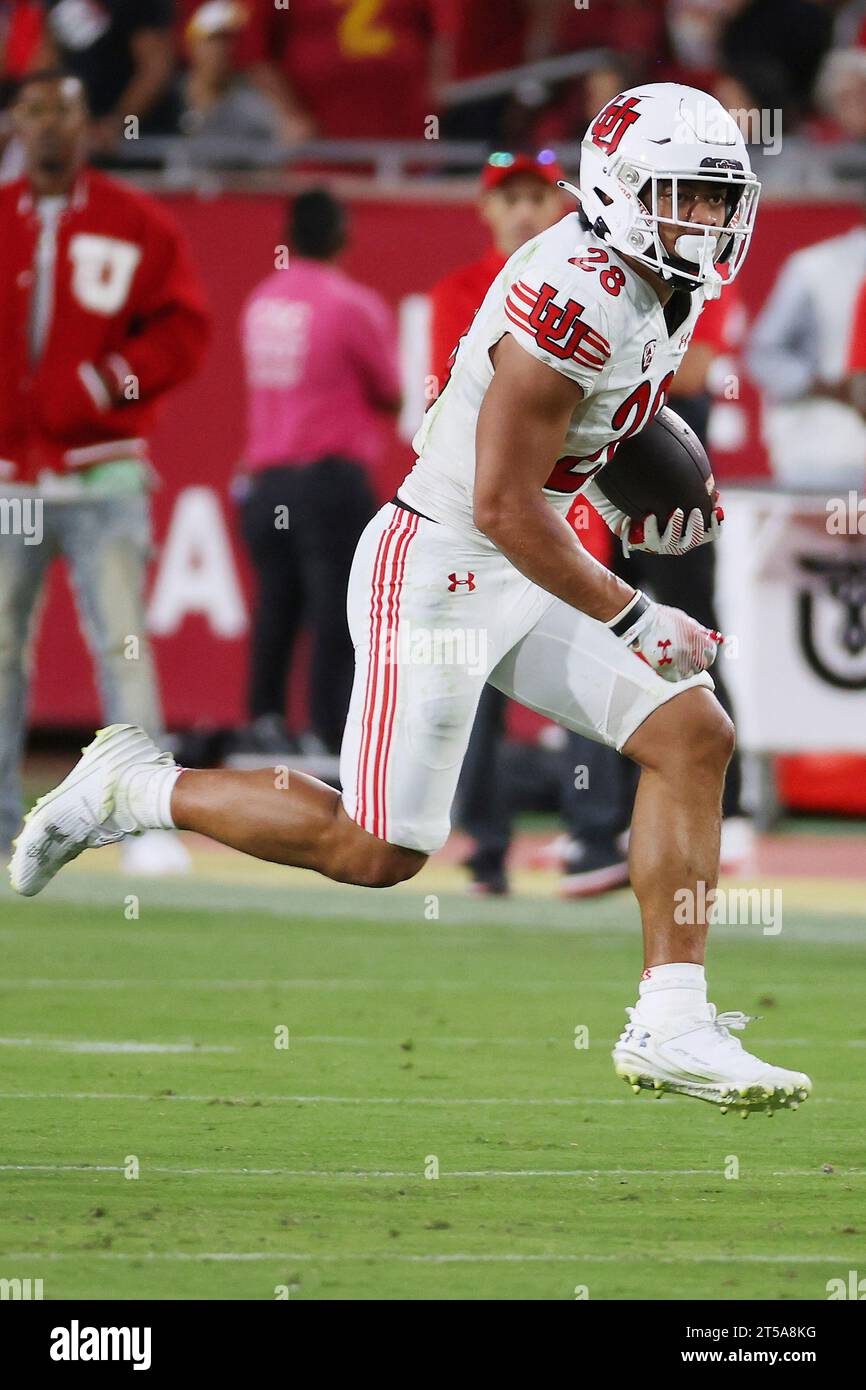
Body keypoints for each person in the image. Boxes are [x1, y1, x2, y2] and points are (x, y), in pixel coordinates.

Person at [11, 83, 812, 1117]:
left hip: (521, 555)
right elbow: (500, 501)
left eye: (713, 200)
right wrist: (631, 609)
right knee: (376, 849)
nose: (699, 222)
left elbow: (576, 442)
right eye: (676, 196)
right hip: (439, 565)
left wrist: (623, 479)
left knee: (691, 735)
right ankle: (135, 789)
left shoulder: (659, 282)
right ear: (617, 189)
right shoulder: (573, 292)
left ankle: (671, 1021)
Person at [0, 69, 210, 871]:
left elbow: (184, 332)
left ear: (87, 124)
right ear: (16, 122)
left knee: (122, 644)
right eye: (34, 111)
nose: (49, 126)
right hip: (13, 476)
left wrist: (105, 382)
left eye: (63, 111)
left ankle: (147, 827)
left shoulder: (137, 222)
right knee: (0, 648)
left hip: (101, 469)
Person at [428, 150, 568, 893]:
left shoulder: (584, 281)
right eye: (507, 196)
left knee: (589, 671)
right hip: (483, 522)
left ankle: (596, 837)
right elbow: (457, 401)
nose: (521, 209)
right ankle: (486, 847)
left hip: (566, 515)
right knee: (472, 686)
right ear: (485, 209)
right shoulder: (459, 291)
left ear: (559, 205)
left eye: (535, 195)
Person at [236, 188, 400, 756]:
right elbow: (391, 391)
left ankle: (264, 721)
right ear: (341, 235)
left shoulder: (261, 301)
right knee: (340, 606)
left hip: (266, 480)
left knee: (276, 605)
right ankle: (328, 731)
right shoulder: (350, 305)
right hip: (328, 479)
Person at [40, 0, 180, 153]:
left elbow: (156, 69)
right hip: (83, 132)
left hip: (139, 131)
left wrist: (117, 123)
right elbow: (50, 60)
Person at [179, 1, 283, 154]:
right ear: (192, 44)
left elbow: (269, 165)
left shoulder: (251, 108)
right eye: (212, 40)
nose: (220, 50)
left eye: (228, 41)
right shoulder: (168, 99)